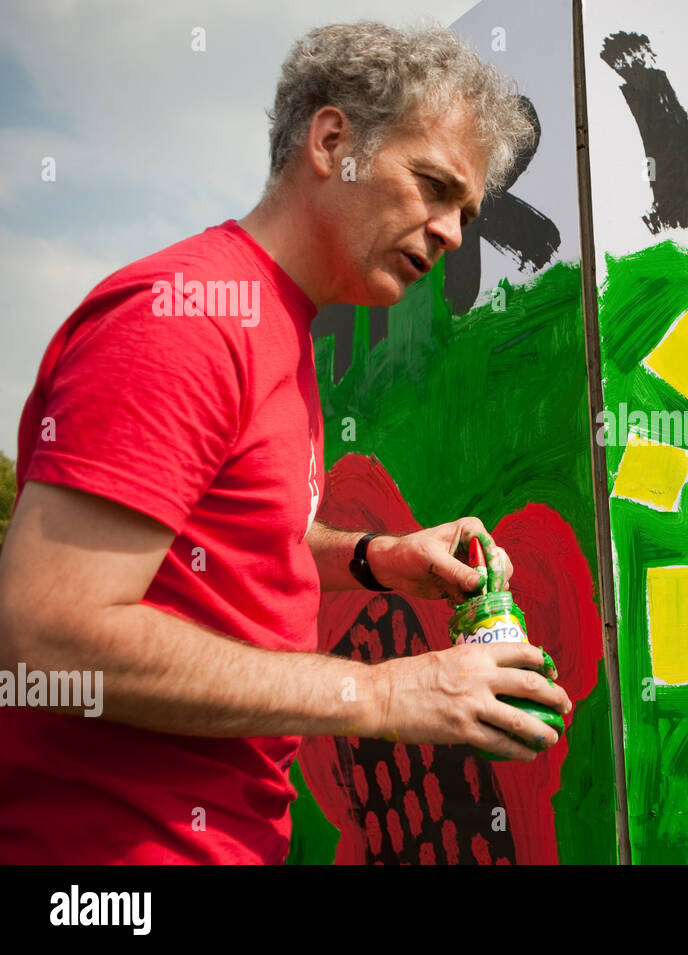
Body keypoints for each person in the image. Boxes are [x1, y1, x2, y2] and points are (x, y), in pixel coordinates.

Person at [0, 21, 572, 865]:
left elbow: (226, 531)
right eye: (432, 185)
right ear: (332, 140)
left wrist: (379, 558)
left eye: (466, 211)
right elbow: (45, 638)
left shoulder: (278, 325)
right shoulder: (188, 321)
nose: (452, 231)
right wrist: (380, 692)